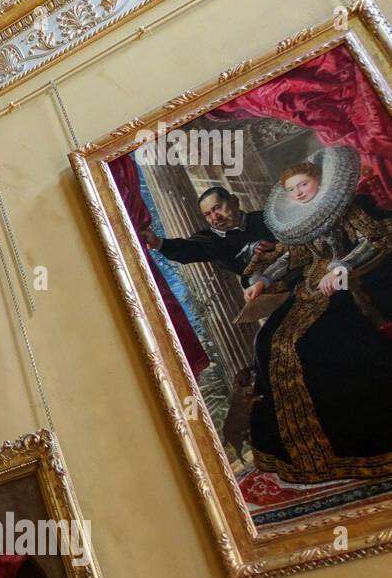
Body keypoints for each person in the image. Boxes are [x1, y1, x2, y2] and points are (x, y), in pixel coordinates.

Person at [240, 149, 392, 483]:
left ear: (319, 182)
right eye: (292, 188)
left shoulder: (347, 208)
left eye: (303, 184)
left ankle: (353, 444)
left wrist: (341, 265)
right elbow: (292, 259)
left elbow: (376, 238)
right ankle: (303, 451)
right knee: (269, 342)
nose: (297, 192)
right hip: (310, 289)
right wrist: (263, 280)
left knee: (312, 346)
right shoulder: (298, 221)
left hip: (347, 285)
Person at [139, 186, 273, 280]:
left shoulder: (266, 218)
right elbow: (190, 249)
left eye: (217, 208)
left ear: (234, 201)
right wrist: (158, 243)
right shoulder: (210, 240)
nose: (215, 217)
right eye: (208, 214)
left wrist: (275, 247)